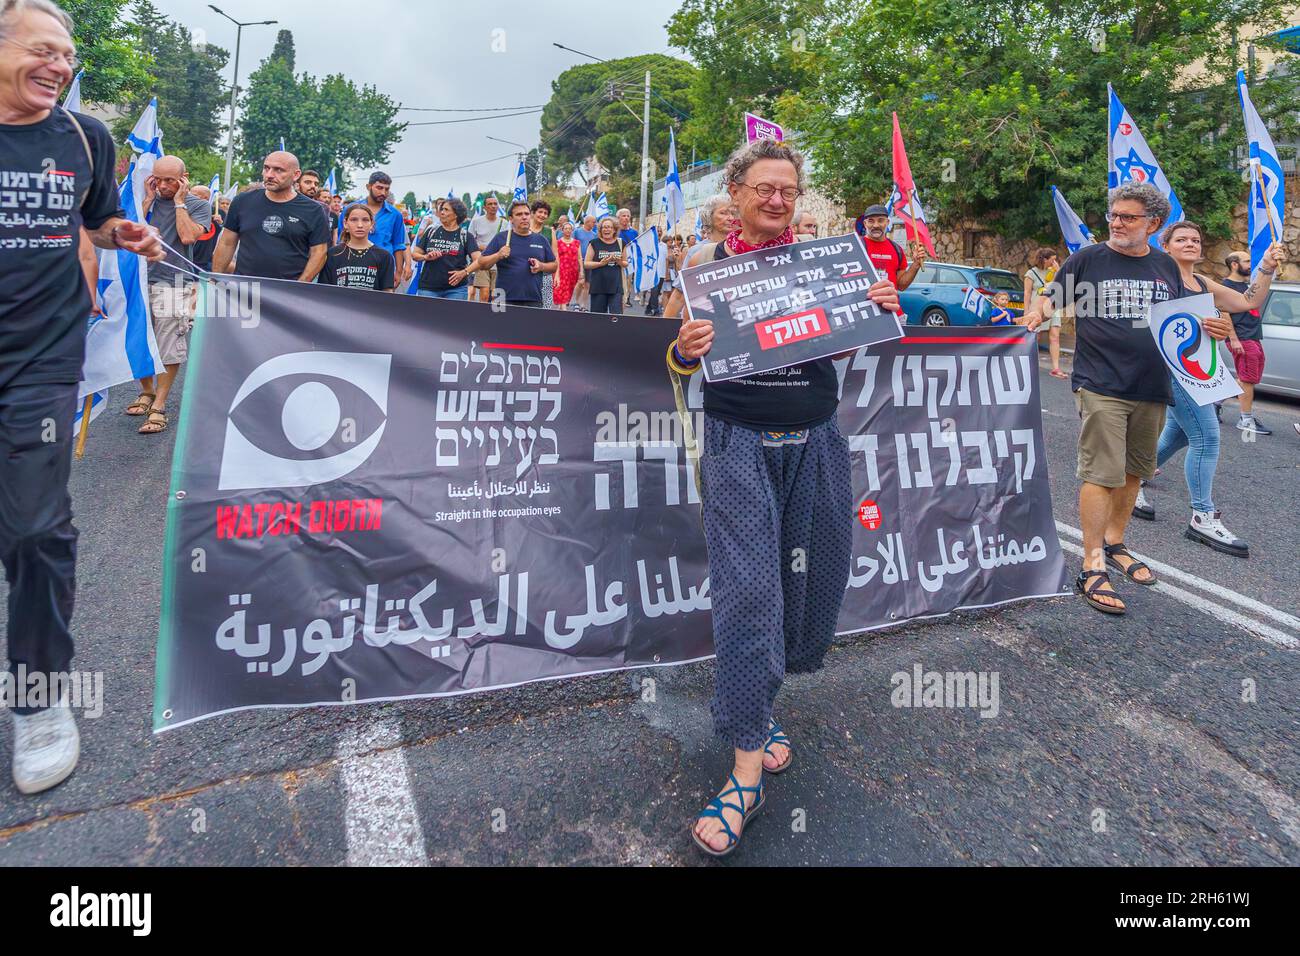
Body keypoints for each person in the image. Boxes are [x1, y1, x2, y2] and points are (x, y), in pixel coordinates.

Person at [671, 138, 899, 856]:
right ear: (734, 193)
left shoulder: (827, 266)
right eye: (764, 188)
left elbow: (838, 346)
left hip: (816, 442)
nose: (777, 200)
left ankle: (759, 708)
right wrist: (686, 349)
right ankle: (743, 769)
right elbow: (673, 360)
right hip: (739, 445)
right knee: (747, 598)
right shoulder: (704, 269)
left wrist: (880, 308)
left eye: (788, 191)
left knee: (809, 591)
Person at [0, 0, 164, 795]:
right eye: (43, 50)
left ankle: (37, 698)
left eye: (66, 54)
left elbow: (96, 220)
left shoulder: (82, 137)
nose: (61, 67)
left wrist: (122, 233)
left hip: (38, 362)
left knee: (35, 530)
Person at [1023, 183, 1233, 615]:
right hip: (1100, 383)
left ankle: (1116, 541)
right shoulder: (1089, 259)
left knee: (1135, 470)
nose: (1116, 223)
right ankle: (1092, 563)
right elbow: (1051, 297)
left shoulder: (1166, 266)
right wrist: (1036, 313)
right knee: (1102, 472)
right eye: (1114, 215)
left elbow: (1187, 321)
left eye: (1128, 217)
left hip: (1154, 384)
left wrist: (1216, 327)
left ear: (1153, 224)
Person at [1132, 221, 1281, 556]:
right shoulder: (1156, 281)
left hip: (1199, 371)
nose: (1190, 244)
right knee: (1207, 436)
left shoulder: (1201, 282)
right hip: (1169, 371)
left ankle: (1132, 479)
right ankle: (1202, 515)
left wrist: (1267, 268)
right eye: (1181, 239)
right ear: (1165, 245)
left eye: (1196, 239)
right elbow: (1139, 323)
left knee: (1180, 433)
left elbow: (1247, 300)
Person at [129, 153, 211, 436]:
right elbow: (126, 230)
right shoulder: (145, 200)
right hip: (138, 282)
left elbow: (188, 237)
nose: (163, 185)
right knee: (138, 340)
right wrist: (148, 201)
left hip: (174, 283)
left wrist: (178, 203)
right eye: (158, 179)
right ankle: (147, 391)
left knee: (168, 345)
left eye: (170, 181)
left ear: (183, 179)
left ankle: (159, 405)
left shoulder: (197, 204)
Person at [212, 150, 329, 281]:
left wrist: (300, 286)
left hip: (286, 293)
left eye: (278, 170)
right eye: (266, 168)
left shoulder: (313, 210)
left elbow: (319, 253)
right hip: (245, 289)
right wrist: (215, 278)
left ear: (296, 175)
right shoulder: (242, 201)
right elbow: (226, 243)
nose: (269, 175)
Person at [1221, 250, 1271, 435]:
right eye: (1247, 261)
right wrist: (1233, 339)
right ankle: (1246, 419)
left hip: (1253, 336)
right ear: (1234, 264)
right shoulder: (1226, 286)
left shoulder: (1245, 285)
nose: (1251, 264)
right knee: (1248, 380)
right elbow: (1224, 312)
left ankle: (1216, 403)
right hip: (1241, 337)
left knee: (1246, 376)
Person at [476, 200, 557, 307]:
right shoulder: (501, 238)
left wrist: (541, 266)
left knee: (531, 324)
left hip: (533, 297)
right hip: (502, 297)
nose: (524, 217)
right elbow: (482, 264)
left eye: (526, 214)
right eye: (519, 214)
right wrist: (498, 255)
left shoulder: (541, 240)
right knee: (498, 324)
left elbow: (554, 266)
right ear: (511, 219)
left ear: (530, 215)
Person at [410, 197, 479, 300]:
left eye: (446, 210)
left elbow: (478, 260)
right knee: (427, 316)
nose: (441, 212)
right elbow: (415, 254)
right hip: (428, 288)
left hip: (457, 290)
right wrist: (426, 257)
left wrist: (465, 272)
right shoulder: (431, 231)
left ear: (456, 214)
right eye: (441, 209)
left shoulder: (466, 236)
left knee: (453, 316)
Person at [319, 203, 396, 292]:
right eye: (354, 220)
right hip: (338, 305)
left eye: (365, 220)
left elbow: (387, 292)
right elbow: (324, 291)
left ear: (372, 224)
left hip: (371, 305)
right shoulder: (333, 254)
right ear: (345, 223)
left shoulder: (384, 256)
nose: (360, 225)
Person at [855, 203, 924, 291]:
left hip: (890, 304)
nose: (876, 225)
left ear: (887, 222)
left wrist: (916, 264)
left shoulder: (897, 249)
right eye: (871, 221)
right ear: (865, 223)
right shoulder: (855, 246)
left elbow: (901, 286)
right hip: (865, 303)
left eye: (880, 220)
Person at [1024, 247, 1067, 380]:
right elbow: (1027, 293)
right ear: (1044, 259)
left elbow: (1060, 285)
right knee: (1035, 338)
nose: (1054, 262)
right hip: (1037, 309)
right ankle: (1028, 365)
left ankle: (1055, 368)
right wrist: (1027, 311)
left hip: (1053, 307)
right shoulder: (1031, 273)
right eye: (1052, 260)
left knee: (1055, 336)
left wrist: (1058, 270)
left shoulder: (1053, 272)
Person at [361, 171, 408, 286]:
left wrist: (398, 272)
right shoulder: (351, 210)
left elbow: (398, 245)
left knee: (381, 303)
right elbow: (342, 240)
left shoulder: (395, 214)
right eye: (379, 188)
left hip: (384, 267)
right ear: (368, 187)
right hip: (355, 265)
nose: (383, 192)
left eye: (387, 189)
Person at [583, 217, 627, 314]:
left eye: (609, 227)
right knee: (598, 318)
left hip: (616, 287)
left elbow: (625, 263)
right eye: (604, 227)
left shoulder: (621, 243)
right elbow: (586, 264)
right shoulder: (594, 243)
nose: (606, 229)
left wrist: (618, 260)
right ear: (600, 229)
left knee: (616, 317)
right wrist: (600, 264)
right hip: (598, 286)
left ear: (614, 229)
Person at [468, 195, 507, 302]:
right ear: (485, 207)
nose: (493, 206)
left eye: (495, 204)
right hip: (482, 261)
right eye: (490, 204)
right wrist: (484, 247)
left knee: (496, 296)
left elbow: (508, 242)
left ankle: (494, 318)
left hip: (499, 263)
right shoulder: (476, 221)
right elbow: (470, 241)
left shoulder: (504, 223)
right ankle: (482, 317)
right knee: (484, 295)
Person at [189, 184, 222, 273]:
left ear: (205, 198)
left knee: (204, 287)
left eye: (194, 195)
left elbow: (225, 237)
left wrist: (221, 225)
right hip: (187, 262)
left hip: (206, 265)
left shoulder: (218, 213)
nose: (189, 197)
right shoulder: (184, 211)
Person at [530, 199, 556, 308]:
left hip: (545, 275)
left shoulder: (550, 232)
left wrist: (557, 275)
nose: (543, 215)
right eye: (540, 212)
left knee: (546, 306)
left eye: (545, 213)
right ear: (533, 213)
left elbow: (555, 255)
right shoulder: (524, 229)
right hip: (526, 274)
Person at [553, 221, 581, 309]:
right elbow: (555, 257)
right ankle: (564, 309)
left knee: (569, 289)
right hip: (561, 269)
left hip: (573, 270)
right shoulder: (558, 243)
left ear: (572, 230)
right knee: (562, 288)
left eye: (570, 229)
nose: (568, 230)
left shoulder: (577, 242)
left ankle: (561, 308)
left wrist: (582, 270)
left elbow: (579, 258)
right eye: (566, 229)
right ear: (562, 230)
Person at [572, 213, 598, 310]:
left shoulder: (594, 235)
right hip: (579, 261)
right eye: (593, 222)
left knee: (587, 284)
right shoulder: (577, 232)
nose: (595, 224)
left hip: (589, 262)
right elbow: (572, 244)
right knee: (580, 282)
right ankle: (576, 302)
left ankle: (583, 305)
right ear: (587, 222)